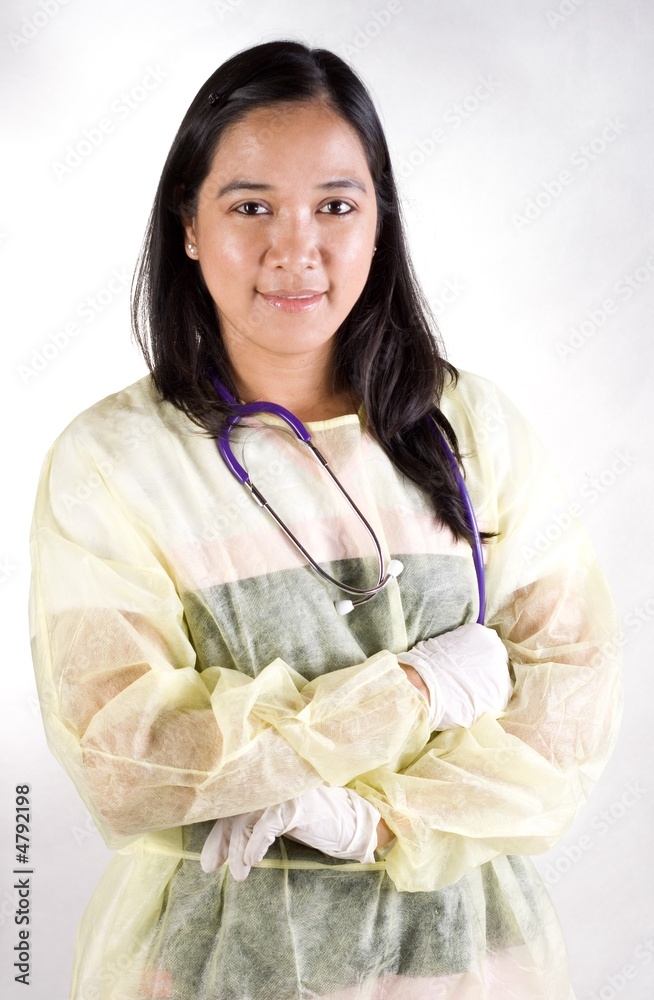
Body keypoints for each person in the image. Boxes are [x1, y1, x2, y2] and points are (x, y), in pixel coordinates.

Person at [29, 39, 622, 1000]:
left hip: (469, 967)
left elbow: (571, 704)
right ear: (188, 224)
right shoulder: (113, 466)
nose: (293, 249)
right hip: (214, 969)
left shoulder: (475, 430)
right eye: (250, 205)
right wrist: (417, 693)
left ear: (379, 222)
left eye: (336, 206)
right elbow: (126, 755)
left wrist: (380, 821)